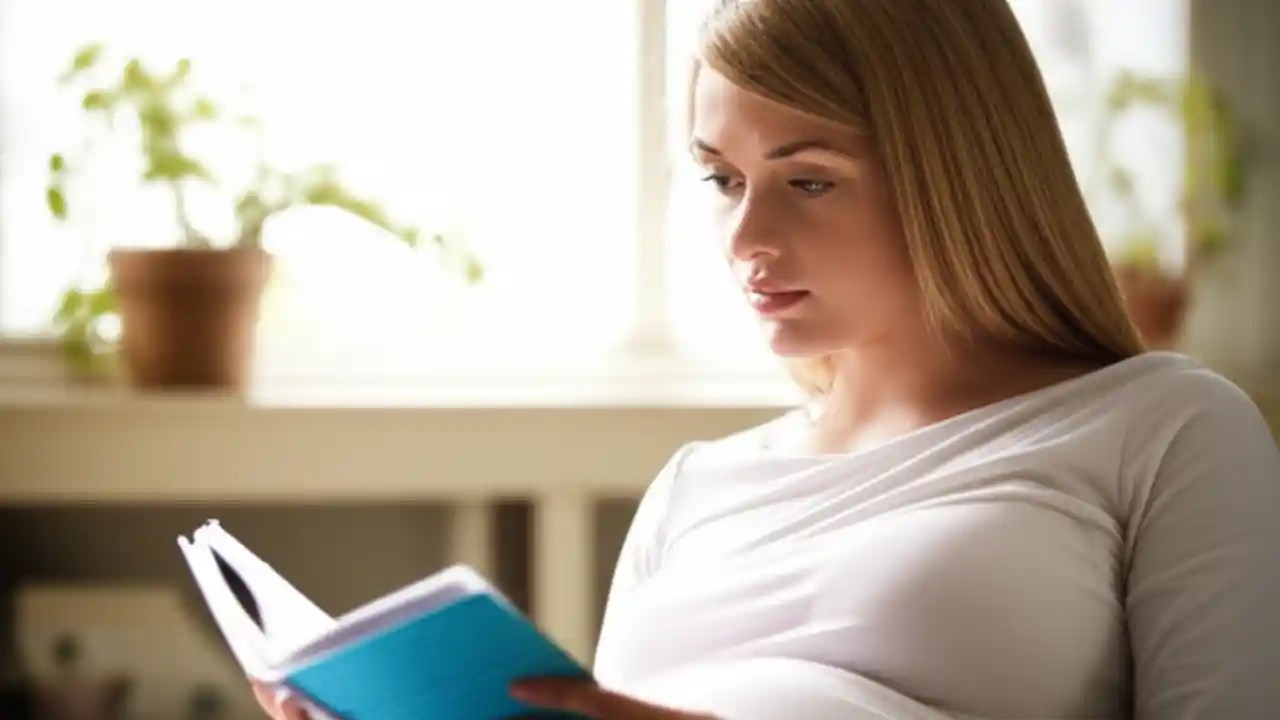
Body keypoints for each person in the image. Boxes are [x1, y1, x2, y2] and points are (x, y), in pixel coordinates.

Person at [253, 0, 1280, 718]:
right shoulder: (696, 488)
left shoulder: (1161, 429)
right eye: (720, 179)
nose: (744, 238)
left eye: (808, 180)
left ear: (956, 172)